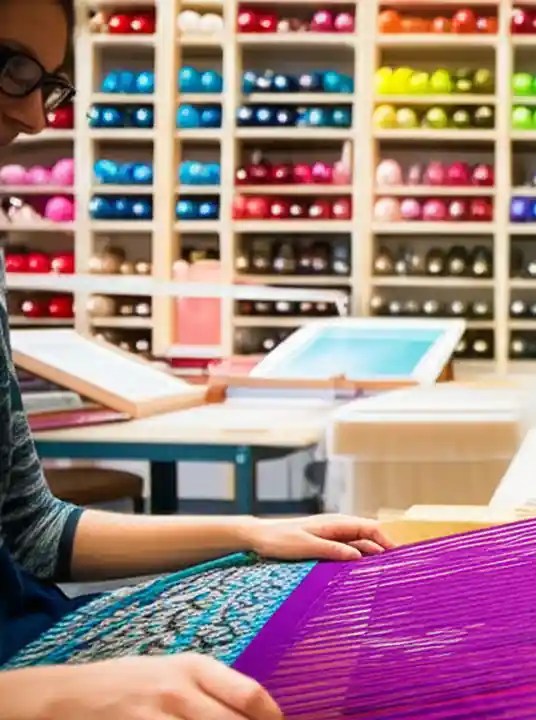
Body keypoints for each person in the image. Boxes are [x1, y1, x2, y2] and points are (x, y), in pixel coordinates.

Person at [0, 2, 395, 717]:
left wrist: (249, 532)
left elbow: (29, 533)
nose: (33, 117)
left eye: (48, 85)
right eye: (9, 68)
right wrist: (31, 697)